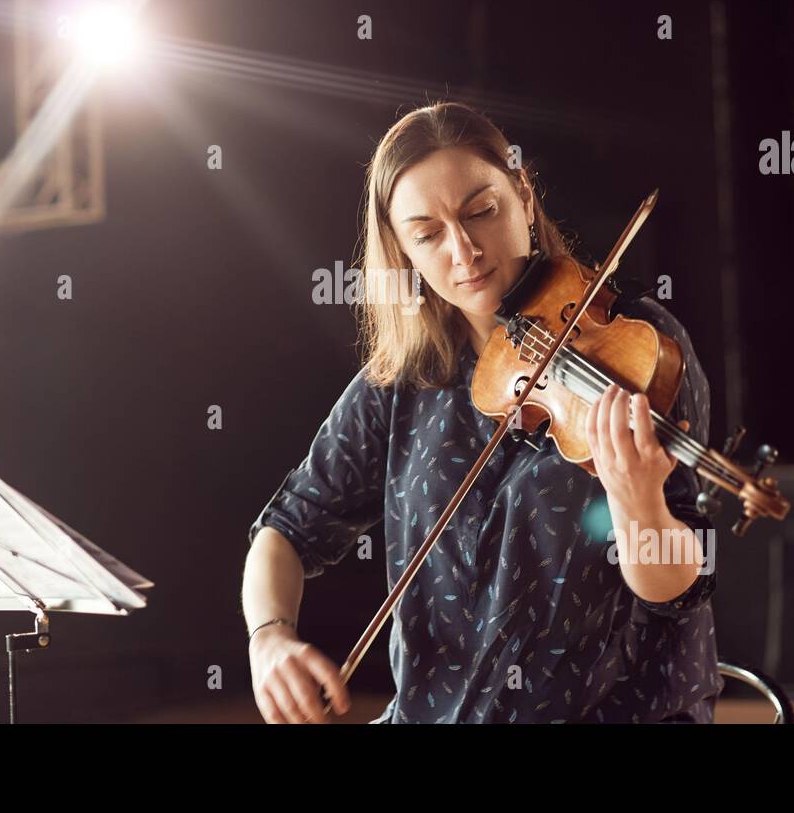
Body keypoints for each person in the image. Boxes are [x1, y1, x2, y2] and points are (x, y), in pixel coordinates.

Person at [241, 100, 723, 723]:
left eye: (481, 212)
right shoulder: (402, 380)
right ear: (402, 249)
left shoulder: (634, 344)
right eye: (427, 234)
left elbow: (677, 590)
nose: (463, 251)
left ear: (522, 193)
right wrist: (269, 637)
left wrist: (638, 505)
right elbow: (285, 530)